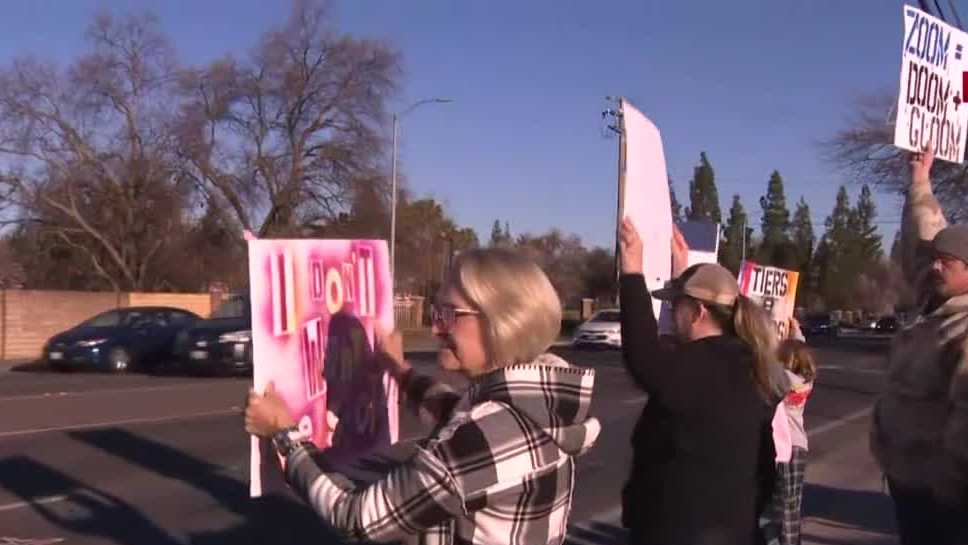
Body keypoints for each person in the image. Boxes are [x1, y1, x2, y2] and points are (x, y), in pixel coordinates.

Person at [245, 247, 601, 545]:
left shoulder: (489, 438)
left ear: (501, 322)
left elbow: (356, 516)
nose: (434, 327)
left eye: (449, 314)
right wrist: (400, 371)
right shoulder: (539, 404)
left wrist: (285, 433)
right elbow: (453, 410)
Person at [618, 217, 782, 545]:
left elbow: (644, 357)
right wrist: (683, 269)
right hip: (735, 528)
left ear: (698, 313)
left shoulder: (700, 366)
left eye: (675, 306)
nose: (671, 314)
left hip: (685, 531)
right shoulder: (750, 362)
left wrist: (632, 272)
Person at [870, 146, 968, 545]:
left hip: (942, 498)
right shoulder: (937, 299)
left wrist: (950, 488)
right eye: (936, 260)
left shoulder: (963, 327)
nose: (935, 266)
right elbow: (925, 237)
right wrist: (920, 180)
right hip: (908, 480)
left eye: (947, 262)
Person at [773, 325, 817, 545]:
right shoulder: (806, 380)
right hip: (800, 446)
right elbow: (799, 348)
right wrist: (797, 331)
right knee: (793, 503)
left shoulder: (783, 379)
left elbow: (765, 363)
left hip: (784, 446)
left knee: (782, 504)